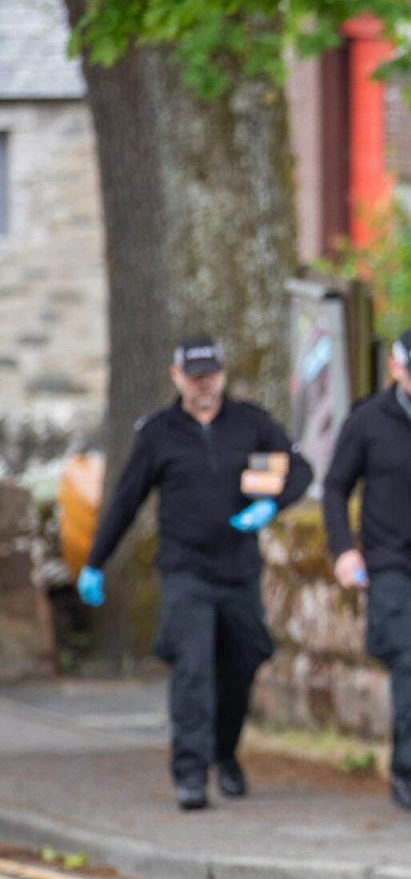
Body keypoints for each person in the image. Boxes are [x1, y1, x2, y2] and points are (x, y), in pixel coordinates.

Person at [79, 335, 312, 810]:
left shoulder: (251, 423)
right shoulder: (159, 433)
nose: (204, 385)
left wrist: (271, 505)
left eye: (212, 376)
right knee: (193, 668)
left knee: (244, 659)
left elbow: (301, 471)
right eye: (195, 377)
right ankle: (189, 772)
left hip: (239, 568)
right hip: (186, 570)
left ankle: (224, 753)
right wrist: (95, 563)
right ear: (176, 376)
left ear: (224, 374)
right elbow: (126, 500)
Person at [322, 328, 411, 822]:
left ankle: (404, 764)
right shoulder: (367, 421)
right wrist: (344, 551)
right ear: (396, 370)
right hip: (391, 564)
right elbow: (336, 487)